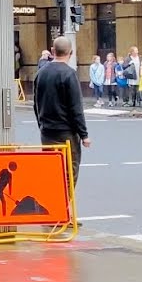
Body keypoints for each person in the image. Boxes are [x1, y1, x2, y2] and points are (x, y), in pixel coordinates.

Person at [33, 36, 90, 184]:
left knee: (51, 170)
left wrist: (41, 124)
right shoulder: (69, 74)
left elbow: (36, 103)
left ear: (53, 51)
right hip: (66, 132)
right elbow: (76, 108)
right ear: (70, 53)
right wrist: (84, 135)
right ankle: (64, 204)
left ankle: (52, 202)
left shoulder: (41, 73)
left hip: (46, 132)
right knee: (68, 173)